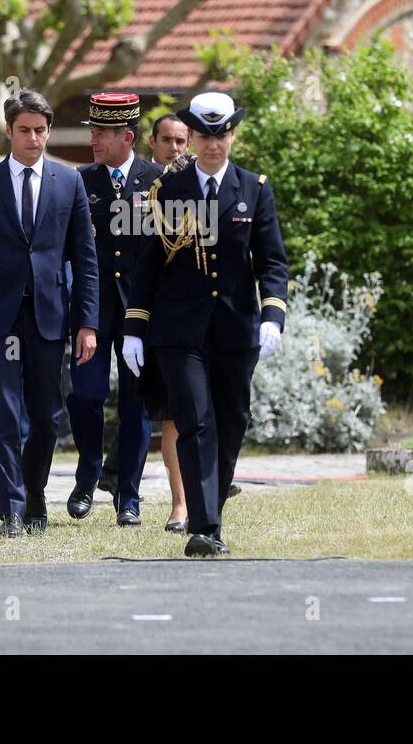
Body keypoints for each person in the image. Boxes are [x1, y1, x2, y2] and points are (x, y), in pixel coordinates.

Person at [123, 92, 288, 557]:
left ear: (233, 135)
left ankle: (209, 513)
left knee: (232, 422)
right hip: (180, 331)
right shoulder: (169, 191)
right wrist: (135, 325)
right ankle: (204, 526)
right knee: (195, 421)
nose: (214, 144)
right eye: (205, 135)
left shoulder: (254, 189)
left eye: (222, 134)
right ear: (191, 137)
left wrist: (273, 314)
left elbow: (272, 261)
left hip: (236, 330)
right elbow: (149, 264)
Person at [0, 88, 98, 537]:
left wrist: (87, 322)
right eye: (24, 131)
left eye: (40, 131)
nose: (32, 139)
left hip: (50, 315)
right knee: (4, 413)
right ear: (10, 132)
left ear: (49, 131)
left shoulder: (69, 181)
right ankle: (12, 508)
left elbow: (85, 258)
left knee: (47, 416)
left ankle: (35, 492)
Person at [66, 93, 161, 526]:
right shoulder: (79, 182)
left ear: (127, 136)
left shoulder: (159, 181)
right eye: (92, 130)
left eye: (101, 132)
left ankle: (129, 494)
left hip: (141, 313)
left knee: (135, 404)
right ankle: (87, 475)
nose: (93, 139)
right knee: (85, 394)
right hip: (92, 310)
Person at [146, 113, 192, 532]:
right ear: (152, 142)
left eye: (183, 141)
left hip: (208, 319)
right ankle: (180, 503)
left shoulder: (212, 185)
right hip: (163, 319)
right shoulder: (145, 191)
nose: (175, 149)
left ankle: (209, 485)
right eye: (167, 141)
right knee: (174, 417)